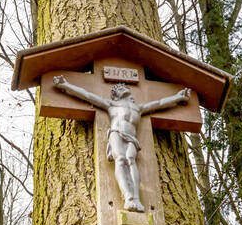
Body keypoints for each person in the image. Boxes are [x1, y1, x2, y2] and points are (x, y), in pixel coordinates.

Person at [53, 76, 191, 212]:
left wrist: (178, 97)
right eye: (118, 88)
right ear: (115, 95)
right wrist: (66, 85)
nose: (122, 87)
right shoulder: (111, 104)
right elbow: (87, 95)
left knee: (131, 160)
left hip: (131, 137)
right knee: (120, 160)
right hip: (116, 133)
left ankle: (136, 198)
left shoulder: (139, 108)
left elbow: (160, 103)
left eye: (124, 86)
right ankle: (128, 197)